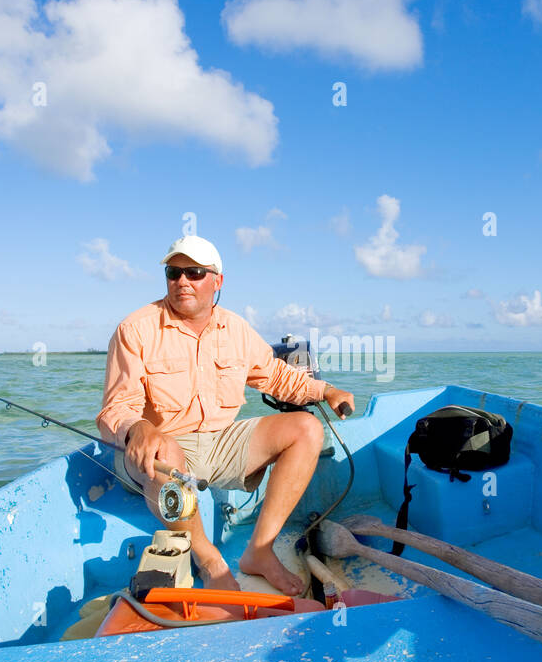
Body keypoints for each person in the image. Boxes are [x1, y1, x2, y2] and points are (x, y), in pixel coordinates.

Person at [96, 235, 355, 595]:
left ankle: (259, 551)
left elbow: (277, 376)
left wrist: (326, 391)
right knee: (163, 451)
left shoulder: (236, 329)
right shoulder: (135, 329)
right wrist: (137, 427)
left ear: (217, 281)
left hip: (219, 442)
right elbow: (116, 407)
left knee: (307, 429)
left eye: (195, 272)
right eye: (174, 273)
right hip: (164, 452)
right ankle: (210, 561)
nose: (182, 281)